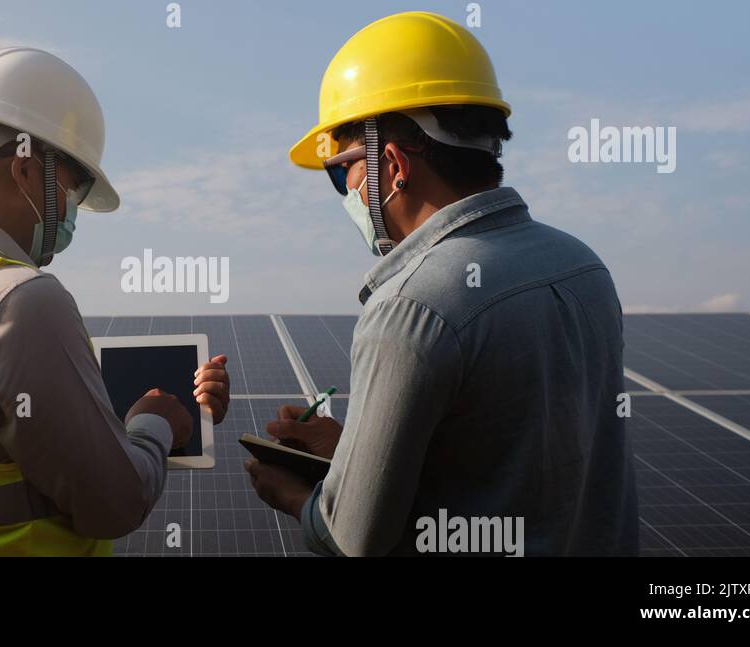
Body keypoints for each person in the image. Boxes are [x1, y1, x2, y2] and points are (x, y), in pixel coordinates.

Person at [245, 12, 637, 556]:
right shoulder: (583, 267)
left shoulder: (412, 307)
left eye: (342, 172)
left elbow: (354, 538)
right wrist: (354, 454)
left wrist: (296, 497)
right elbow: (506, 470)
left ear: (393, 164)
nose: (345, 192)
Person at [0, 47, 231, 556]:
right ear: (25, 167)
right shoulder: (17, 299)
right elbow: (115, 501)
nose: (71, 212)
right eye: (72, 189)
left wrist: (109, 419)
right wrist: (159, 423)